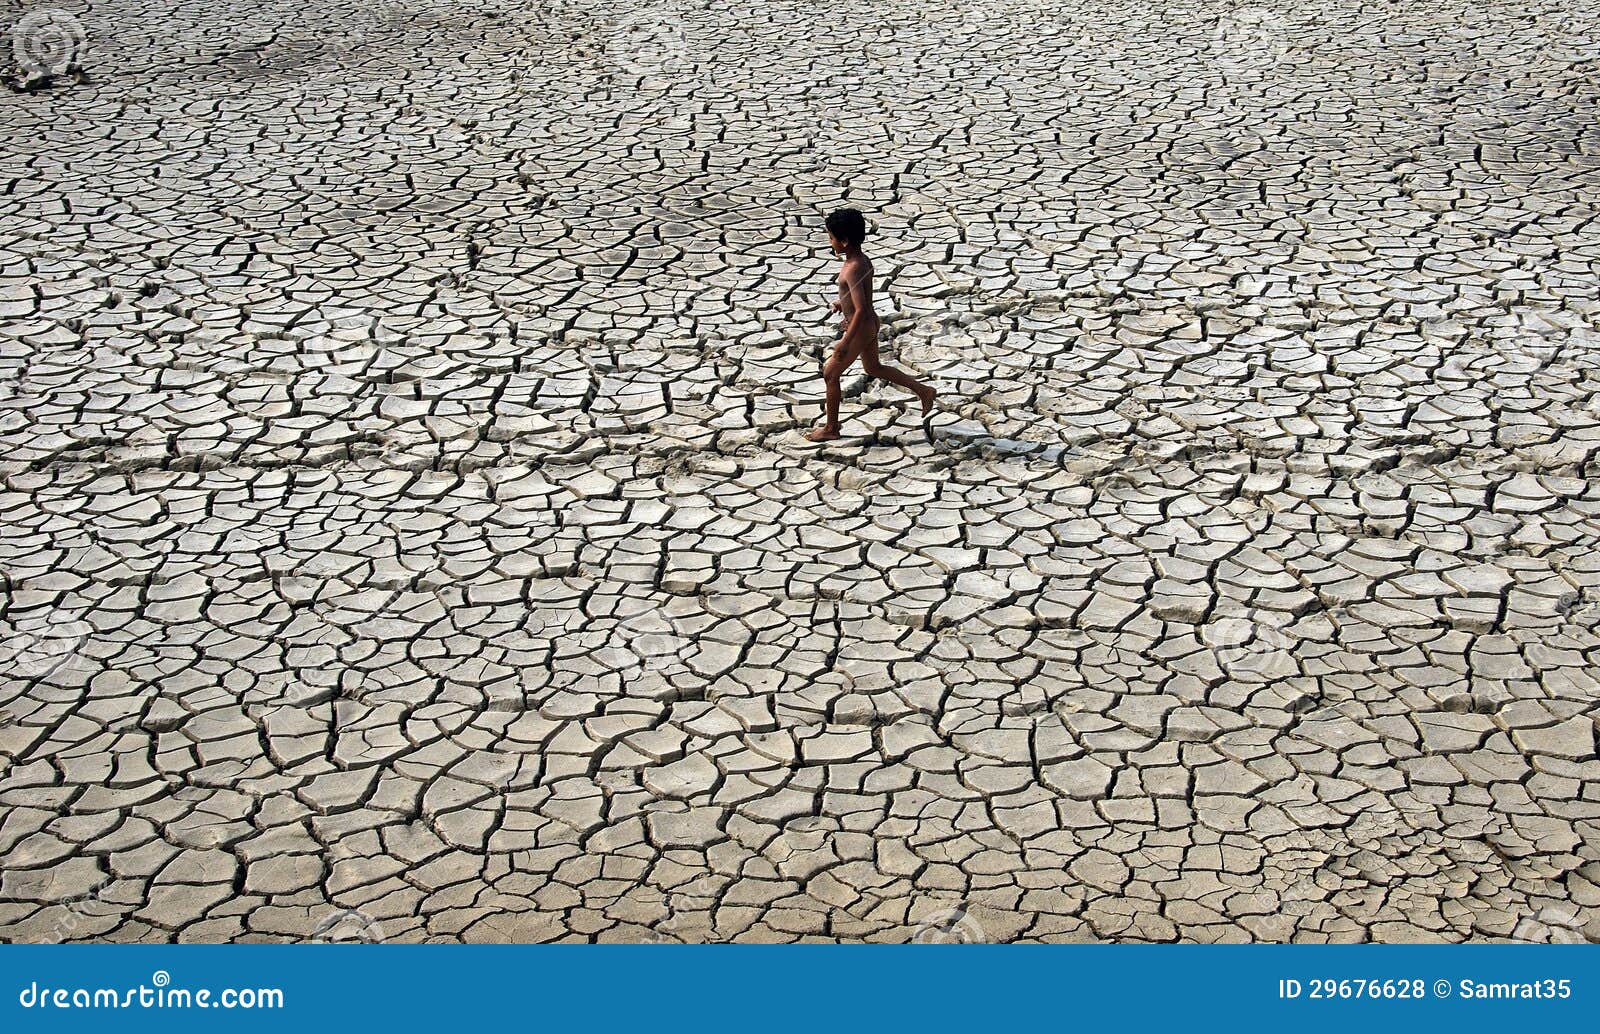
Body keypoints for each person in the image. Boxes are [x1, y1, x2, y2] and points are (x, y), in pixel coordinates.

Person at [805, 209, 935, 442]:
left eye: (831, 237)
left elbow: (861, 308)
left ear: (844, 241)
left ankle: (831, 428)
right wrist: (840, 303)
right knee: (874, 368)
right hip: (867, 324)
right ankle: (923, 391)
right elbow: (858, 297)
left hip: (861, 325)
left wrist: (845, 342)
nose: (830, 241)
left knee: (830, 374)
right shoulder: (861, 260)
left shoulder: (853, 267)